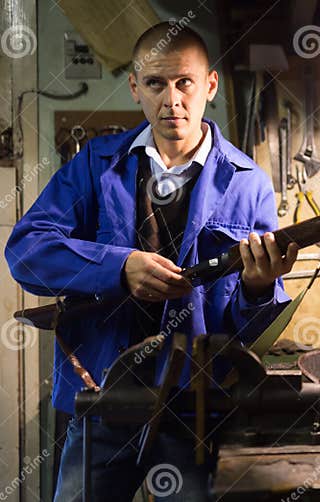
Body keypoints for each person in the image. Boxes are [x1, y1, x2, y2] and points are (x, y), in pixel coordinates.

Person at [5, 22, 298, 501]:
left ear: (209, 86)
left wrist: (259, 288)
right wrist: (118, 267)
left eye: (184, 82)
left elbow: (251, 332)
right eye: (157, 84)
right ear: (136, 87)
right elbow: (26, 252)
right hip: (103, 397)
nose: (172, 99)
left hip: (196, 409)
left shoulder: (249, 184)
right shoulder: (96, 166)